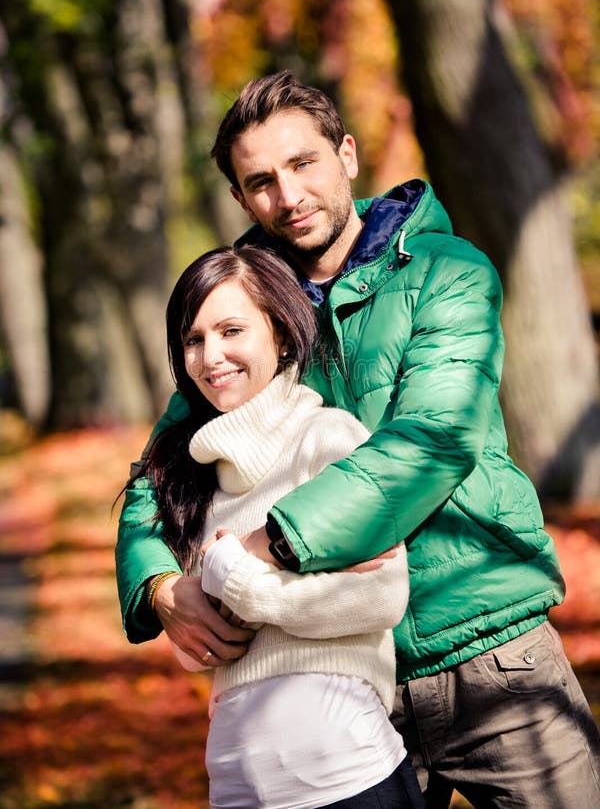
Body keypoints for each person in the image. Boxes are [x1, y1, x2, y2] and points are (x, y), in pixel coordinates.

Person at [116, 71, 600, 808]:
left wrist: (270, 543)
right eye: (261, 181)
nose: (288, 195)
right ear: (243, 199)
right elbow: (158, 473)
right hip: (331, 682)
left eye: (302, 164)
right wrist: (159, 589)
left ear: (345, 154)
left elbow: (432, 438)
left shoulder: (448, 272)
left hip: (485, 647)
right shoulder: (245, 309)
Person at [123, 244, 424, 808]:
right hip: (237, 787)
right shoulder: (191, 477)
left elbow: (381, 597)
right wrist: (201, 592)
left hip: (349, 778)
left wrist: (239, 580)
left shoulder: (328, 438)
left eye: (232, 330)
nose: (211, 356)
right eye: (193, 339)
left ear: (282, 335)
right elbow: (198, 650)